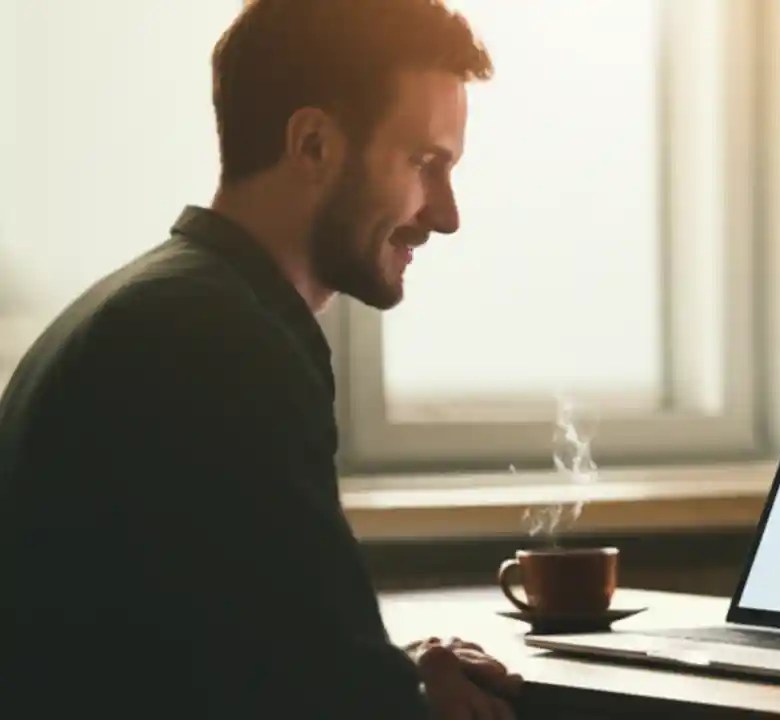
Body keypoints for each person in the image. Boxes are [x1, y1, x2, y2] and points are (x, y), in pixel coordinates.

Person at [0, 1, 521, 717]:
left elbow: (228, 655)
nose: (447, 213)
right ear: (313, 145)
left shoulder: (148, 309)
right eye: (424, 163)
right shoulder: (218, 346)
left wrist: (389, 674)